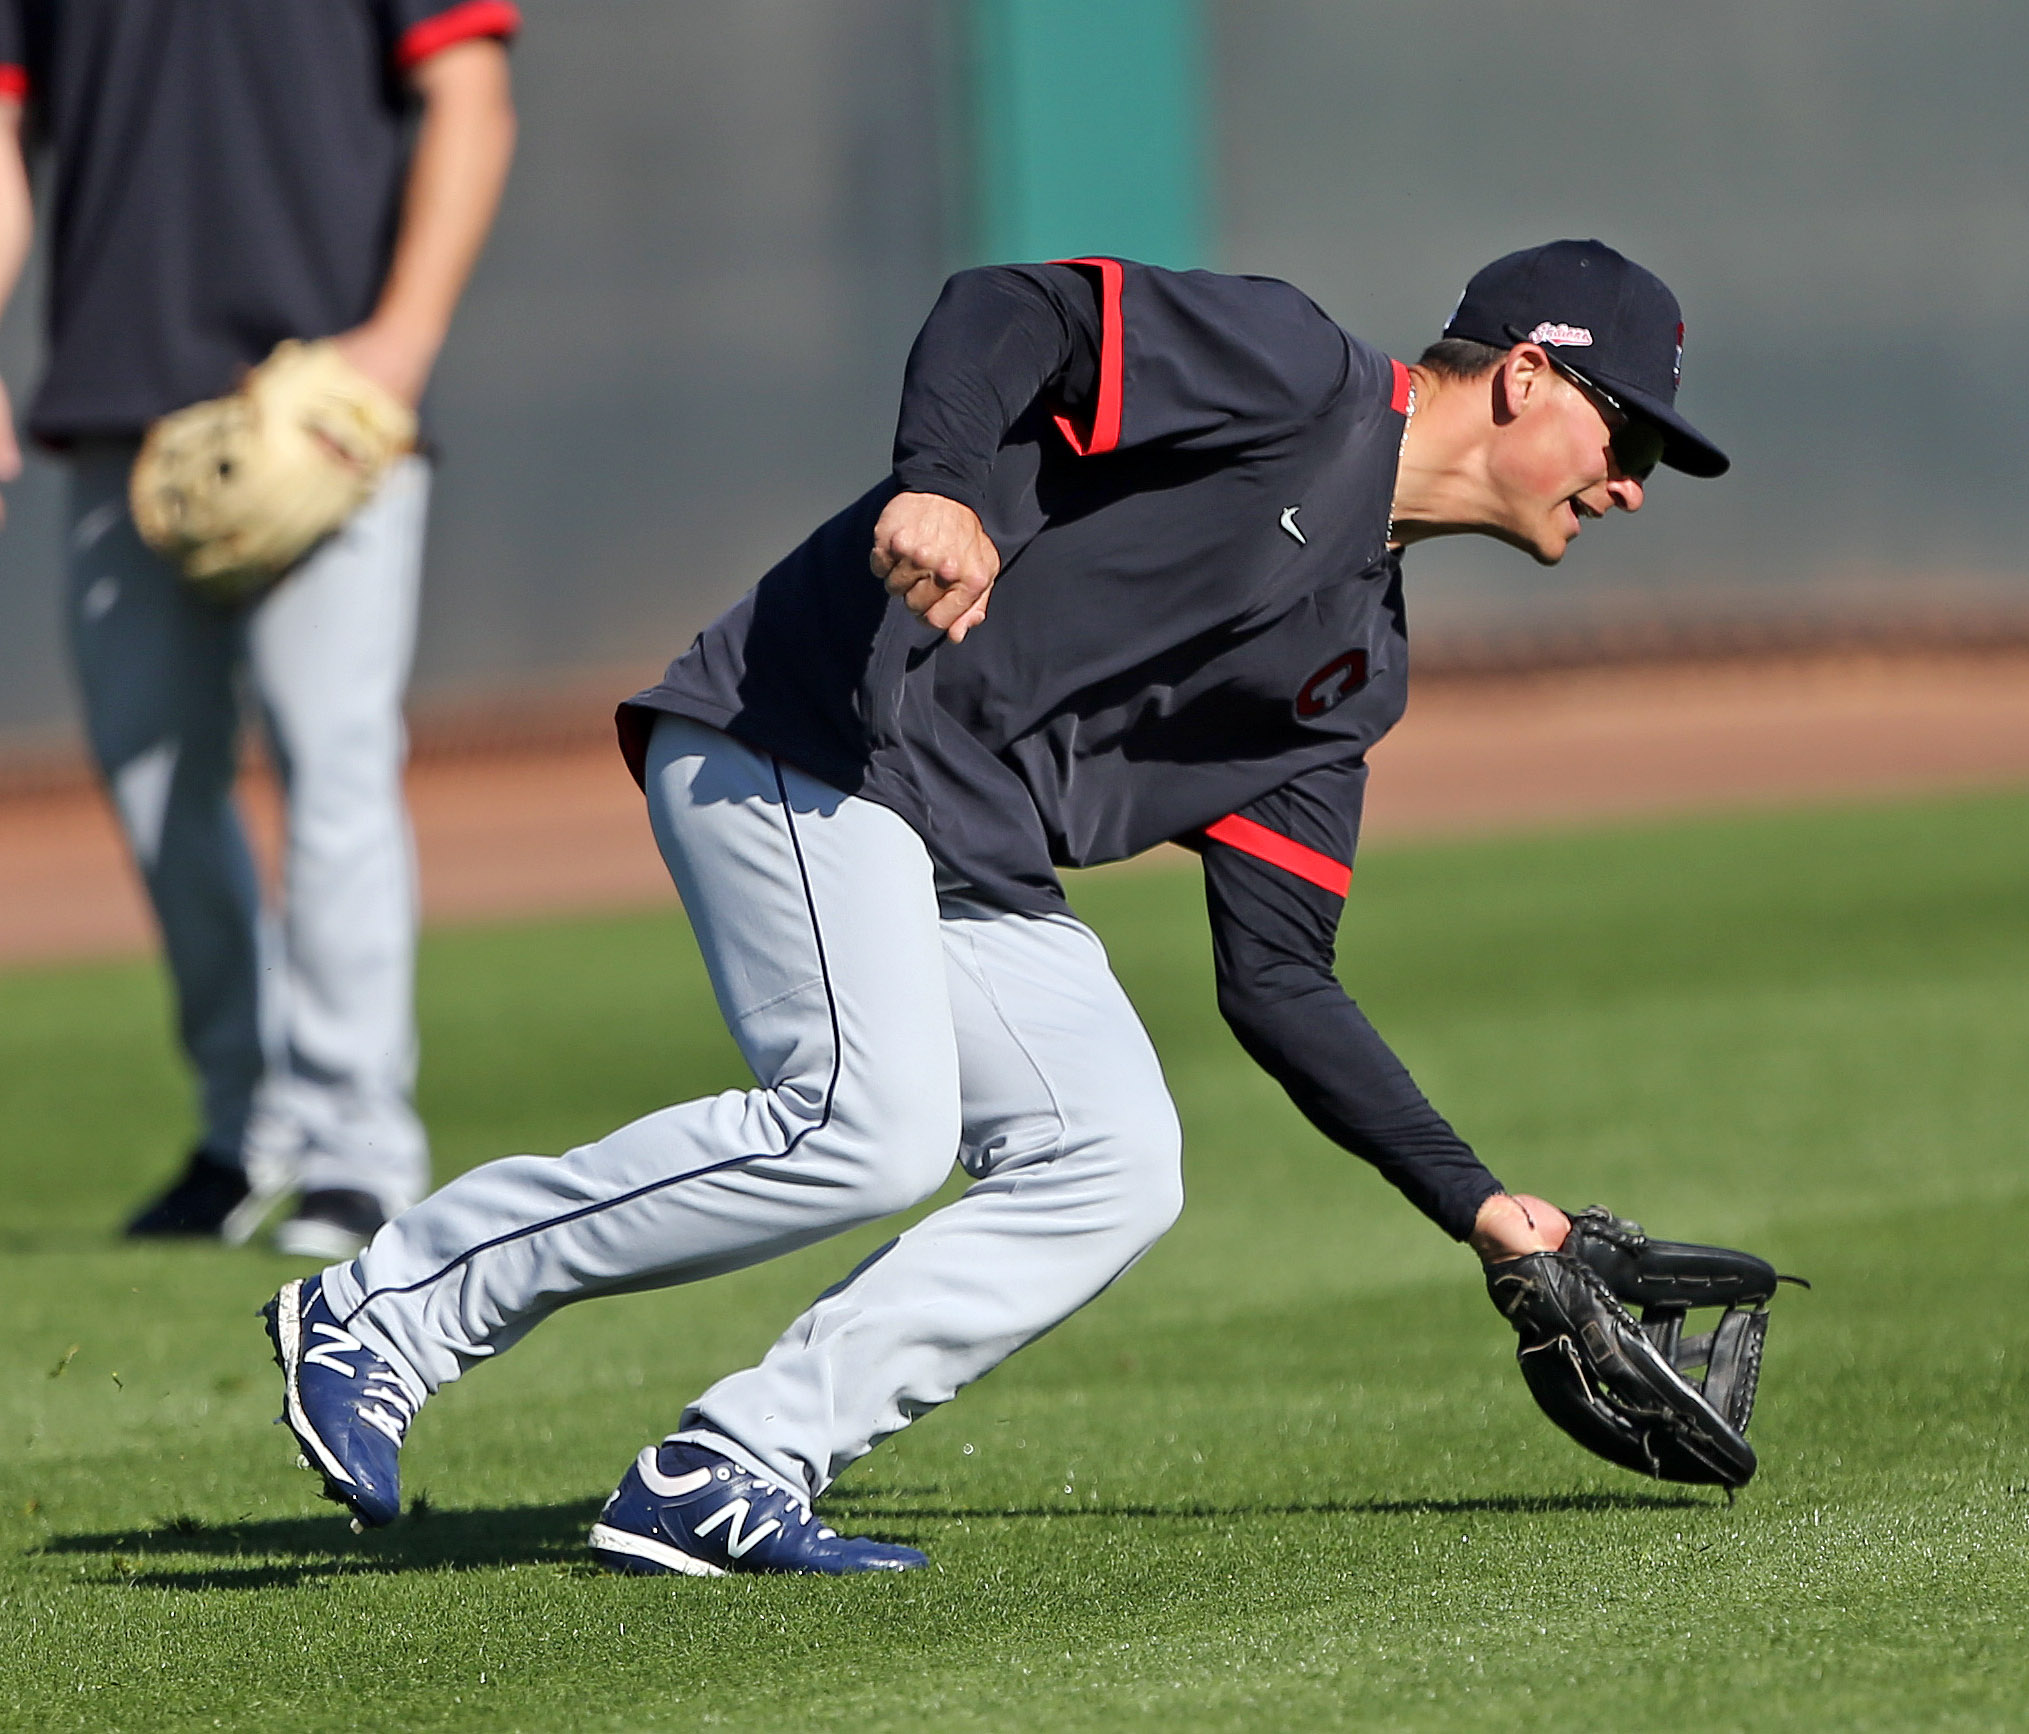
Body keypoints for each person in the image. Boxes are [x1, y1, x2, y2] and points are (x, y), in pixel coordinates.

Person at [262, 239, 1733, 1574]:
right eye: (1628, 438)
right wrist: (942, 481)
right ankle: (385, 1310)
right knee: (867, 1126)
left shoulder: (1355, 668)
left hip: (959, 848)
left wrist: (1484, 1209)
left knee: (1116, 1159)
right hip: (811, 734)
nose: (1630, 488)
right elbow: (1010, 307)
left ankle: (735, 1465)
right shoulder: (1300, 378)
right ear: (1525, 377)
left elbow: (1280, 976)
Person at [0, 1, 519, 1257]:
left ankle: (358, 1150)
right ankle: (246, 1130)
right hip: (119, 412)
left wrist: (402, 343)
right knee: (150, 781)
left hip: (324, 408)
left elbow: (471, 96)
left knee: (331, 761)